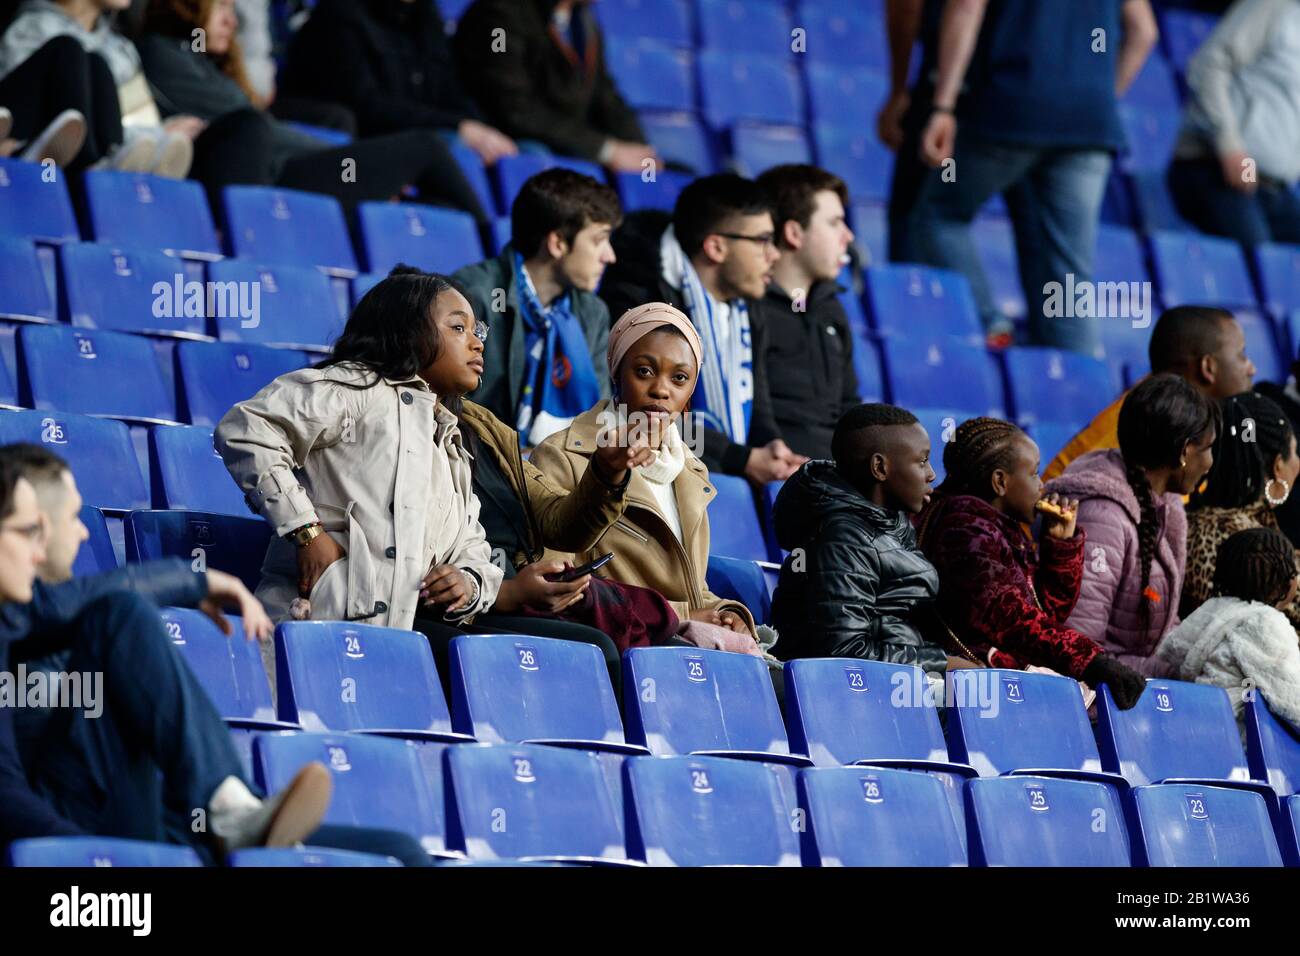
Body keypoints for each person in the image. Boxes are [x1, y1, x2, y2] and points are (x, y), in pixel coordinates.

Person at [0, 443, 434, 866]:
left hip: (158, 819)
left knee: (402, 853)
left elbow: (53, 609)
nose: (81, 530)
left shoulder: (51, 615)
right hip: (80, 832)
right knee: (122, 612)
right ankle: (232, 813)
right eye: (35, 528)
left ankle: (233, 812)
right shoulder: (55, 619)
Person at [216, 269, 503, 679]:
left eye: (479, 331)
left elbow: (473, 545)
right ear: (407, 331)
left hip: (389, 650)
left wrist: (468, 582)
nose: (477, 343)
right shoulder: (355, 390)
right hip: (310, 632)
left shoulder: (451, 444)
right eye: (458, 327)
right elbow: (245, 430)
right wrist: (305, 531)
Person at [908, 0, 1157, 352]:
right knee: (1069, 279)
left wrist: (943, 106)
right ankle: (1079, 392)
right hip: (1089, 122)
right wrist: (1099, 97)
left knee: (936, 215)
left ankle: (991, 323)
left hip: (1012, 105)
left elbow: (965, 7)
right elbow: (1144, 32)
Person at [137, 0, 490, 222]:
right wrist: (345, 155)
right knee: (426, 146)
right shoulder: (163, 52)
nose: (232, 22)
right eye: (221, 8)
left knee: (434, 207)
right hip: (276, 176)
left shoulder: (208, 65)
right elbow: (260, 127)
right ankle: (497, 243)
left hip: (279, 170)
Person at [531, 303, 759, 639]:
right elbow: (558, 590)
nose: (661, 390)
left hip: (682, 643)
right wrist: (685, 615)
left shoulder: (691, 470)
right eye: (644, 371)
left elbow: (694, 590)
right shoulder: (562, 456)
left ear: (691, 391)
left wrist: (725, 614)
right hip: (622, 646)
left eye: (679, 378)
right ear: (616, 373)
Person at [914, 417, 1146, 707]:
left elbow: (1047, 612)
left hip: (1000, 684)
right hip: (972, 693)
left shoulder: (997, 527)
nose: (1042, 486)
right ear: (1000, 482)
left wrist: (1061, 546)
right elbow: (1014, 620)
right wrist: (1092, 661)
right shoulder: (964, 532)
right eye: (1035, 474)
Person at [599, 174, 805, 484]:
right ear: (716, 247)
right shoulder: (639, 300)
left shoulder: (749, 308)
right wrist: (740, 457)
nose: (775, 254)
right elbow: (644, 408)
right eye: (763, 241)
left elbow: (756, 400)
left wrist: (771, 446)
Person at [769, 403, 971, 674]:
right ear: (880, 467)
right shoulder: (843, 538)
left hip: (895, 681)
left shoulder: (891, 521)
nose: (931, 474)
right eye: (922, 461)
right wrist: (943, 664)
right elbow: (844, 652)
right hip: (853, 692)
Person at [1044, 374, 1220, 676]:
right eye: (1208, 448)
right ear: (1185, 452)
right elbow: (1080, 655)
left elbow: (1159, 630)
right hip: (1097, 705)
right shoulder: (1102, 518)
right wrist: (1182, 675)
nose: (1211, 462)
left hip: (1132, 687)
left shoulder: (1165, 502)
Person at [453, 168, 618, 447]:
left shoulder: (592, 313)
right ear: (557, 243)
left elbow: (599, 420)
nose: (610, 256)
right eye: (598, 241)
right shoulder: (472, 297)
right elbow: (451, 411)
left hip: (564, 470)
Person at [279, 0, 517, 168]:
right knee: (448, 146)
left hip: (415, 135)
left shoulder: (425, 17)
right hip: (365, 143)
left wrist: (480, 127)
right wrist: (459, 126)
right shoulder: (341, 14)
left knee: (514, 155)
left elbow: (449, 89)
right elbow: (365, 105)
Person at [1043, 305, 1255, 480]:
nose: (1251, 369)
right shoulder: (1140, 429)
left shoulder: (1186, 417)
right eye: (1242, 355)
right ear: (1208, 367)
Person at [451, 0, 655, 172]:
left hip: (570, 140)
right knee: (539, 157)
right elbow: (513, 109)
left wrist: (641, 149)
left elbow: (605, 96)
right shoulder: (498, 20)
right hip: (519, 140)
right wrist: (606, 150)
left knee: (661, 171)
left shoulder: (584, 20)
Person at [0, 0, 194, 174]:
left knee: (97, 63)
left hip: (107, 148)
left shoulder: (121, 50)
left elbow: (141, 120)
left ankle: (107, 163)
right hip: (36, 151)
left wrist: (160, 135)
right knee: (70, 51)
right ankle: (94, 165)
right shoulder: (35, 25)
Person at [1167, 0, 1300, 247]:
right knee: (1259, 264)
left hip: (1275, 189)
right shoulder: (1273, 7)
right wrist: (1230, 146)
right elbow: (1207, 65)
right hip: (1221, 168)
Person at [752, 164, 860, 460]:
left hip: (836, 475)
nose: (848, 236)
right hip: (785, 474)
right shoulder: (748, 307)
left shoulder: (831, 307)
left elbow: (849, 405)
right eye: (835, 223)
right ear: (794, 233)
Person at [1157, 527, 1300, 739]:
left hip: (1196, 735)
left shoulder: (1211, 611)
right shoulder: (1265, 623)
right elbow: (1292, 699)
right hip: (1243, 750)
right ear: (1285, 580)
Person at [1183, 392, 1300, 628]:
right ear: (1278, 466)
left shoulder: (1192, 523)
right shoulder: (1260, 550)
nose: (1298, 462)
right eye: (1295, 451)